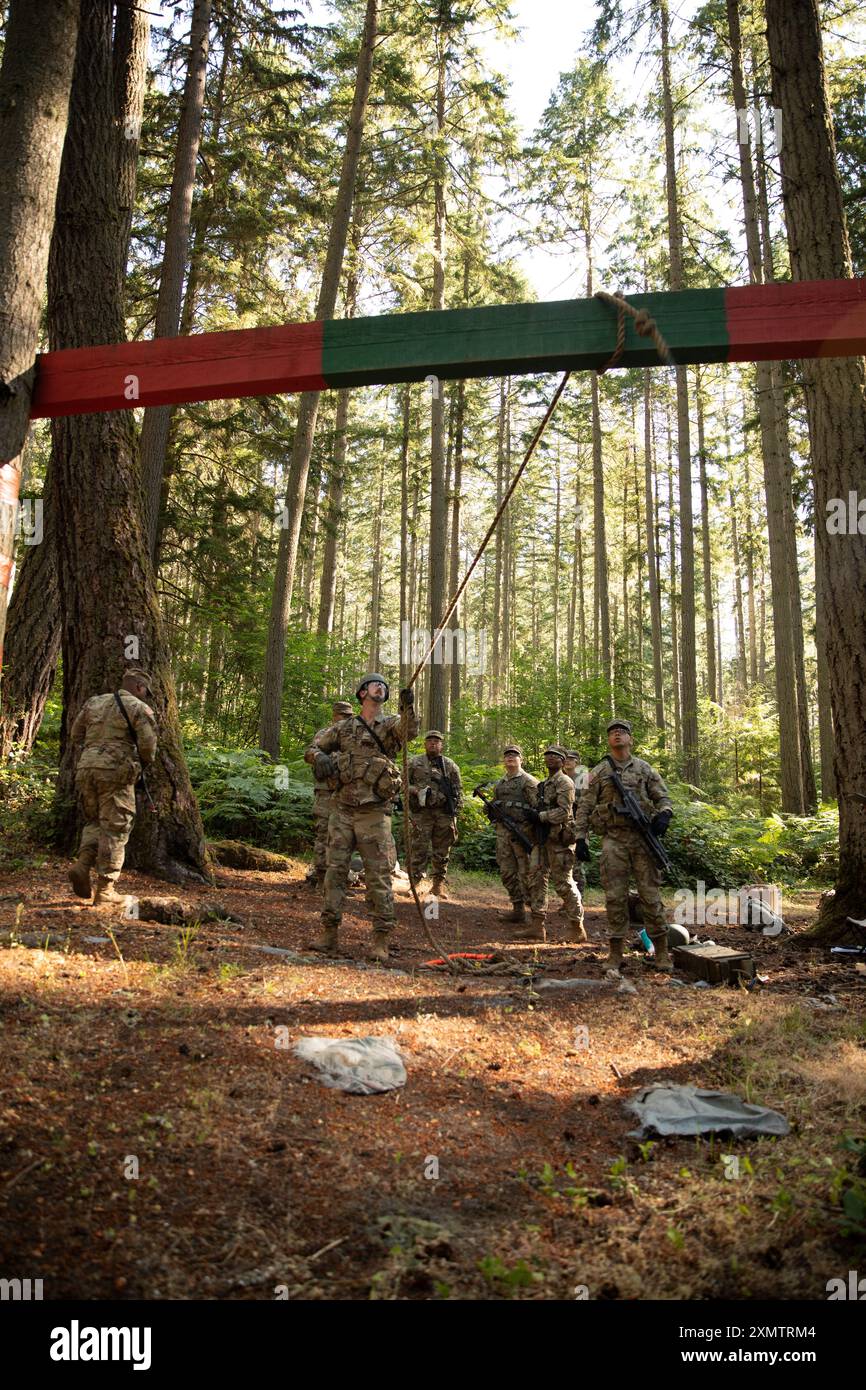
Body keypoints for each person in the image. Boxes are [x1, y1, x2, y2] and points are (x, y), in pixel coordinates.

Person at [304, 674, 419, 961]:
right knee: (334, 874)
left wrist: (408, 708)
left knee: (379, 877)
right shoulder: (342, 728)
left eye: (384, 686)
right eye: (375, 684)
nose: (381, 687)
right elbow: (313, 748)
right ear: (362, 692)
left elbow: (409, 732)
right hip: (341, 810)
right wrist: (319, 758)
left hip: (375, 813)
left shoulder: (391, 724)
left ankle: (381, 940)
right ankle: (329, 934)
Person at [574, 719, 673, 972]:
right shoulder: (594, 771)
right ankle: (616, 952)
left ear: (630, 739)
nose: (617, 735)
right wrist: (580, 838)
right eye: (612, 733)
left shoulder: (644, 768)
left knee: (650, 897)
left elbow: (662, 796)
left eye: (622, 732)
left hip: (642, 839)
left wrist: (664, 814)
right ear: (608, 740)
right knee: (615, 898)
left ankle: (661, 951)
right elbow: (583, 805)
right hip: (613, 840)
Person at [67, 668, 158, 906]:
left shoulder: (94, 702)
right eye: (145, 691)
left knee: (94, 821)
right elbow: (148, 747)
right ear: (139, 687)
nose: (145, 695)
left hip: (86, 768)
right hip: (115, 772)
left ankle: (82, 865)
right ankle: (105, 890)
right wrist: (140, 761)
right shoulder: (139, 708)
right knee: (116, 827)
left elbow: (76, 735)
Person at [522, 745, 585, 942]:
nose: (550, 758)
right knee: (536, 879)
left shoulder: (565, 782)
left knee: (564, 883)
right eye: (547, 755)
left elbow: (564, 812)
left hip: (559, 840)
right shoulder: (543, 785)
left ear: (563, 761)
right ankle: (537, 925)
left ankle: (577, 928)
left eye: (555, 756)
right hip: (541, 839)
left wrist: (539, 816)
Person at [407, 730, 462, 897]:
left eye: (436, 741)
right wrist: (416, 791)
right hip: (421, 813)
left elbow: (458, 790)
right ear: (425, 744)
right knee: (418, 848)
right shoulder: (414, 762)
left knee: (442, 851)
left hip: (443, 814)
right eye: (430, 741)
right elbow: (402, 783)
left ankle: (438, 885)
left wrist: (455, 813)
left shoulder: (450, 765)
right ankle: (414, 884)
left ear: (441, 745)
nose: (433, 743)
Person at [490, 744, 538, 926]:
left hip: (522, 832)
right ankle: (518, 910)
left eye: (514, 755)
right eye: (507, 755)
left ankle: (535, 914)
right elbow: (496, 804)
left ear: (521, 759)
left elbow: (537, 809)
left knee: (527, 873)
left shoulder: (529, 781)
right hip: (503, 832)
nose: (510, 758)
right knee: (507, 872)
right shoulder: (500, 784)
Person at [308, 699, 354, 888]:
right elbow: (310, 753)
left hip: (347, 793)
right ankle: (320, 879)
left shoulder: (354, 737)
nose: (344, 720)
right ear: (334, 716)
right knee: (323, 834)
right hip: (326, 793)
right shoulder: (324, 734)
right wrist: (319, 757)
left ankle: (338, 881)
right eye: (341, 716)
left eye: (348, 716)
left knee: (343, 838)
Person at [563, 748, 588, 896]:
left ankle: (580, 898)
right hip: (563, 825)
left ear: (577, 762)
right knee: (564, 864)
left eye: (571, 759)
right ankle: (570, 900)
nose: (568, 761)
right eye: (566, 758)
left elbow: (588, 801)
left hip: (579, 824)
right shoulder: (561, 777)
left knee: (577, 865)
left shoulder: (583, 777)